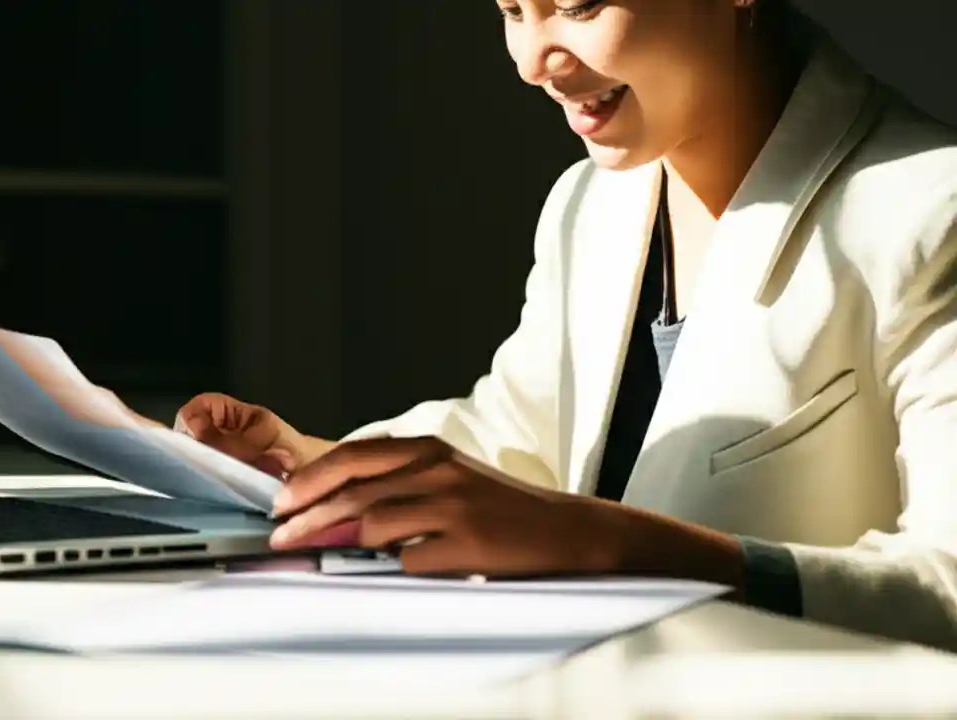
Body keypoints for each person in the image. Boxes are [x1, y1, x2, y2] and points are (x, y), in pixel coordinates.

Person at [174, 0, 957, 651]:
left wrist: (615, 547)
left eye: (578, 5)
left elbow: (945, 587)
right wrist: (309, 464)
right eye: (514, 10)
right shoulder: (590, 202)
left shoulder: (930, 211)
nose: (532, 60)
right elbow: (521, 438)